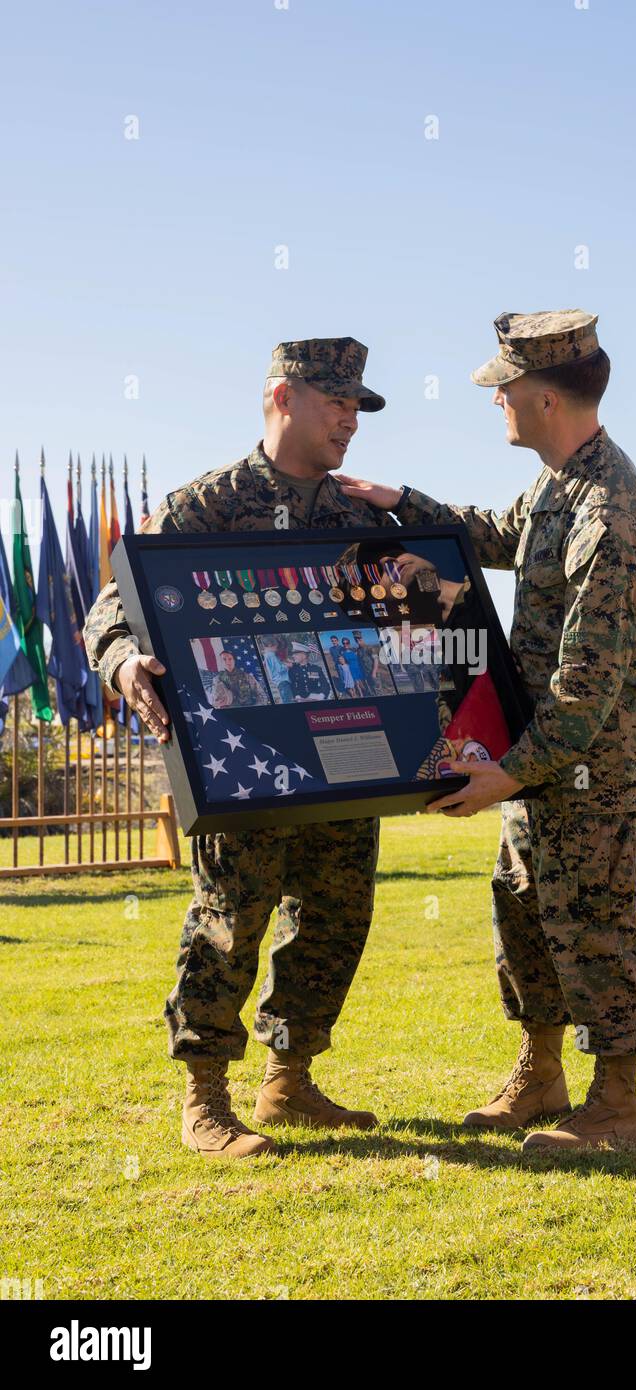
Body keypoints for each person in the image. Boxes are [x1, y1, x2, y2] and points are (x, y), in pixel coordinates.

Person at [340, 309, 636, 1154]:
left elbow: (586, 690)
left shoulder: (612, 513)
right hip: (542, 758)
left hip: (588, 762)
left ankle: (616, 1106)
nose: (498, 403)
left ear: (547, 400)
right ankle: (542, 1072)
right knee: (524, 910)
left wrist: (505, 775)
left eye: (506, 390)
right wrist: (399, 503)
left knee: (590, 918)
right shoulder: (561, 487)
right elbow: (497, 532)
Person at [84, 337, 394, 1160]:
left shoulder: (362, 517)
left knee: (336, 915)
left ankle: (290, 1080)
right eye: (335, 403)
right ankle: (207, 1100)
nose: (349, 422)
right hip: (241, 754)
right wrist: (122, 661)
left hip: (347, 753)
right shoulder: (203, 507)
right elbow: (108, 607)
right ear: (282, 396)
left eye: (358, 407)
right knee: (230, 918)